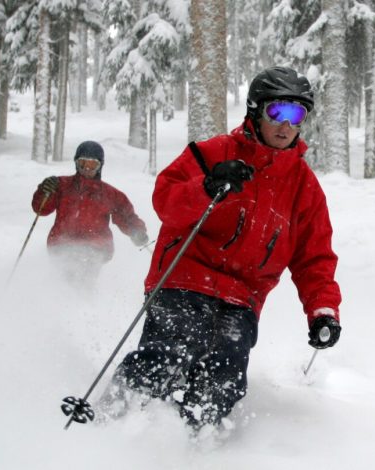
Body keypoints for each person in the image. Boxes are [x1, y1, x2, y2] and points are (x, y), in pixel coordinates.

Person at [103, 66, 342, 430]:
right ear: (256, 111)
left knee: (224, 376)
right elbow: (165, 199)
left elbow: (314, 257)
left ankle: (193, 444)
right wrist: (207, 186)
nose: (286, 125)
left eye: (298, 115)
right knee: (167, 352)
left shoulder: (304, 187)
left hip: (242, 299)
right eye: (278, 111)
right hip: (184, 279)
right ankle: (113, 421)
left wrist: (322, 310)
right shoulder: (213, 153)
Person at [32, 141, 149, 282]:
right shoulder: (62, 185)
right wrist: (44, 191)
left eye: (92, 165)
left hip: (95, 247)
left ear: (100, 166)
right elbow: (41, 209)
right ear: (76, 163)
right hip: (62, 244)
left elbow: (126, 216)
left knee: (83, 274)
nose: (87, 169)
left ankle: (83, 299)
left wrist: (136, 231)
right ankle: (63, 298)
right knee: (64, 278)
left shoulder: (109, 194)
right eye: (82, 164)